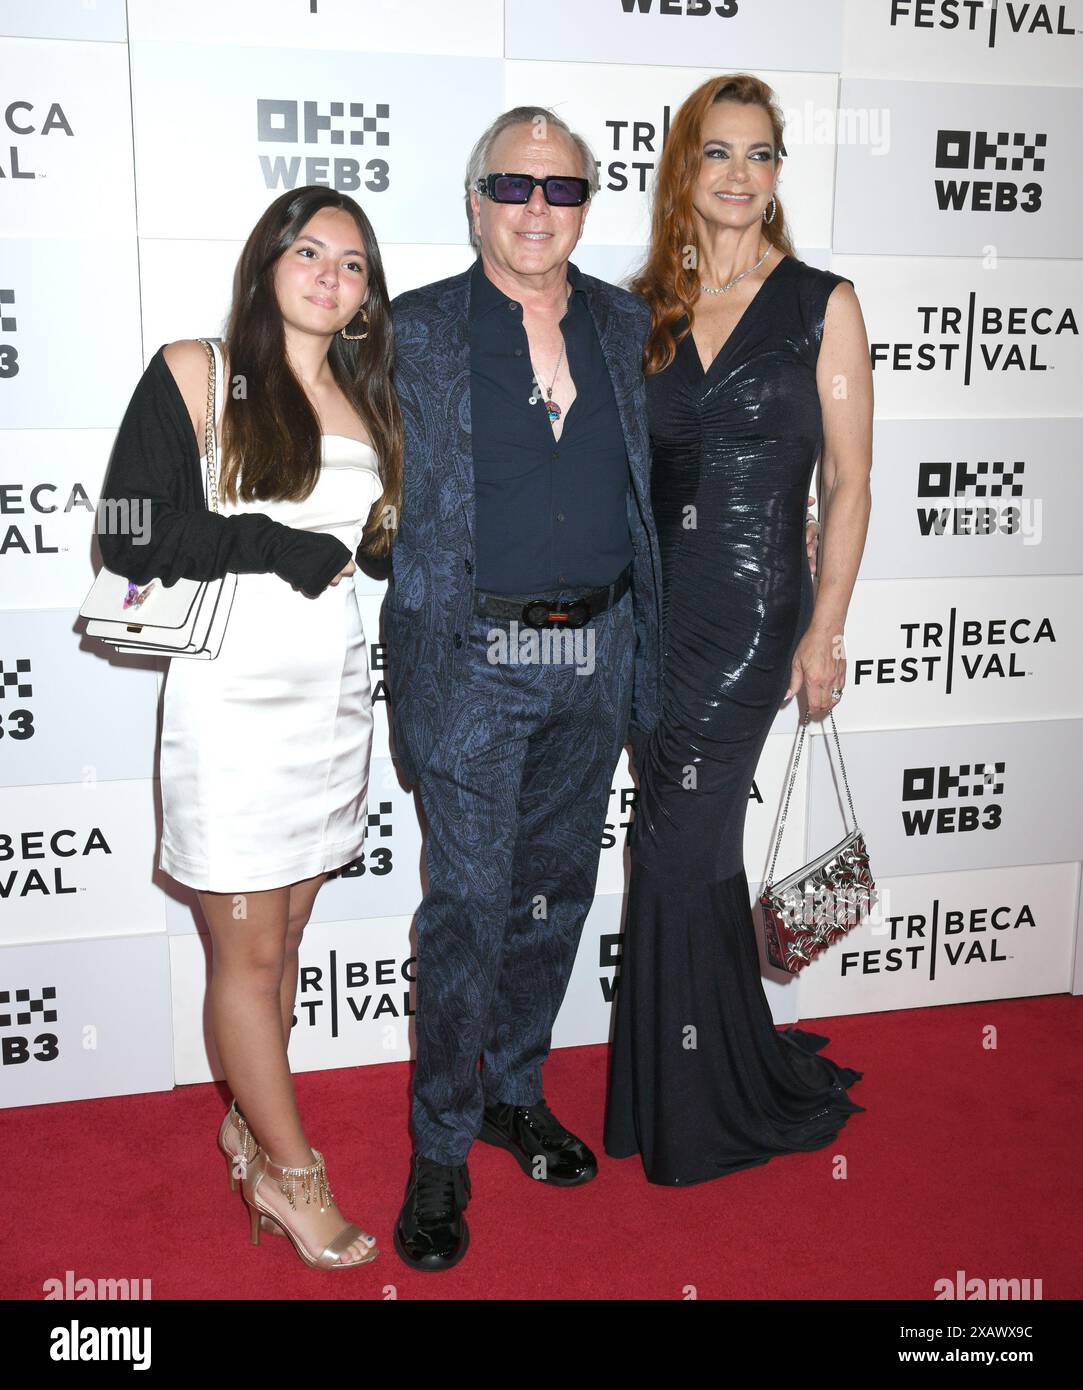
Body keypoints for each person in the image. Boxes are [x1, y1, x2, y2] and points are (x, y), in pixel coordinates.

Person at [95, 186, 403, 1267]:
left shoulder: (372, 395)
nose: (330, 273)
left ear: (368, 297)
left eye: (354, 263)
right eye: (309, 250)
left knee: (287, 950)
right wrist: (268, 543)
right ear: (268, 261)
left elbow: (369, 545)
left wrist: (380, 552)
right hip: (233, 706)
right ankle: (295, 1173)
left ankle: (249, 1130)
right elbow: (130, 534)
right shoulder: (198, 371)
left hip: (335, 702)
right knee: (250, 948)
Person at [381, 107, 663, 1270]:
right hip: (470, 662)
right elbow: (303, 426)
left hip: (595, 652)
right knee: (467, 909)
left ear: (589, 203)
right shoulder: (412, 330)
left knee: (555, 892)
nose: (537, 206)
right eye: (513, 183)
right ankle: (440, 1146)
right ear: (474, 197)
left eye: (563, 187)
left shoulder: (628, 323)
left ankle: (512, 1090)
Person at [603, 75, 873, 1185]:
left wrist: (827, 629)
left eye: (762, 156)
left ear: (777, 174)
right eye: (719, 154)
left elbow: (850, 485)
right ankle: (713, 1067)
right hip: (647, 613)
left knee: (670, 847)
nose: (740, 176)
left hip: (754, 611)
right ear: (684, 168)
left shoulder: (822, 301)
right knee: (683, 847)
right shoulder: (636, 311)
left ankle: (697, 1107)